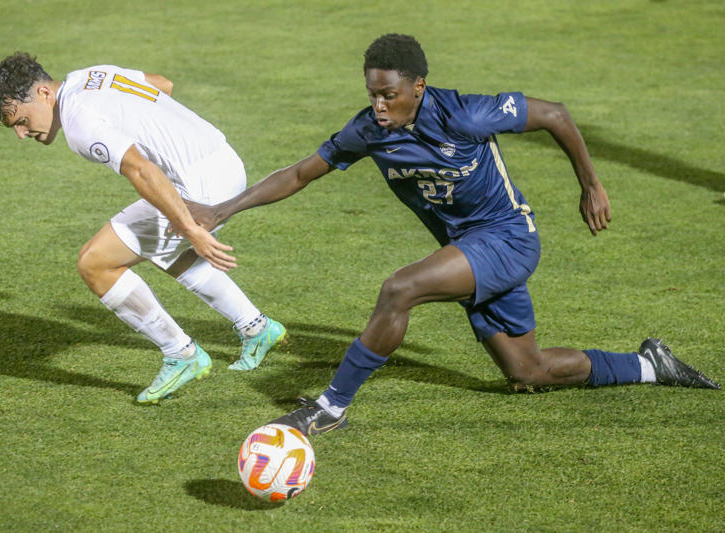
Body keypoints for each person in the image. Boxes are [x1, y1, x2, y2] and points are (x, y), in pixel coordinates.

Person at [182, 34, 720, 433]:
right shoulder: (368, 130)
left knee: (400, 288)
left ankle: (330, 407)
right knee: (529, 373)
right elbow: (300, 173)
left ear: (418, 86)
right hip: (468, 251)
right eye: (371, 93)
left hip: (507, 239)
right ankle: (651, 365)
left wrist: (591, 185)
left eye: (388, 94)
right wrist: (223, 208)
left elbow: (555, 114)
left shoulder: (463, 114)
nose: (378, 105)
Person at [0, 52, 286, 404]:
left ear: (44, 94)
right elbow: (162, 84)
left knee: (95, 262)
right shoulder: (88, 74)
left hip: (202, 187)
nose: (22, 133)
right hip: (223, 159)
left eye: (20, 120)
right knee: (165, 250)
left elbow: (141, 170)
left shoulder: (79, 123)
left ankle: (181, 355)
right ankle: (257, 327)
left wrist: (189, 226)